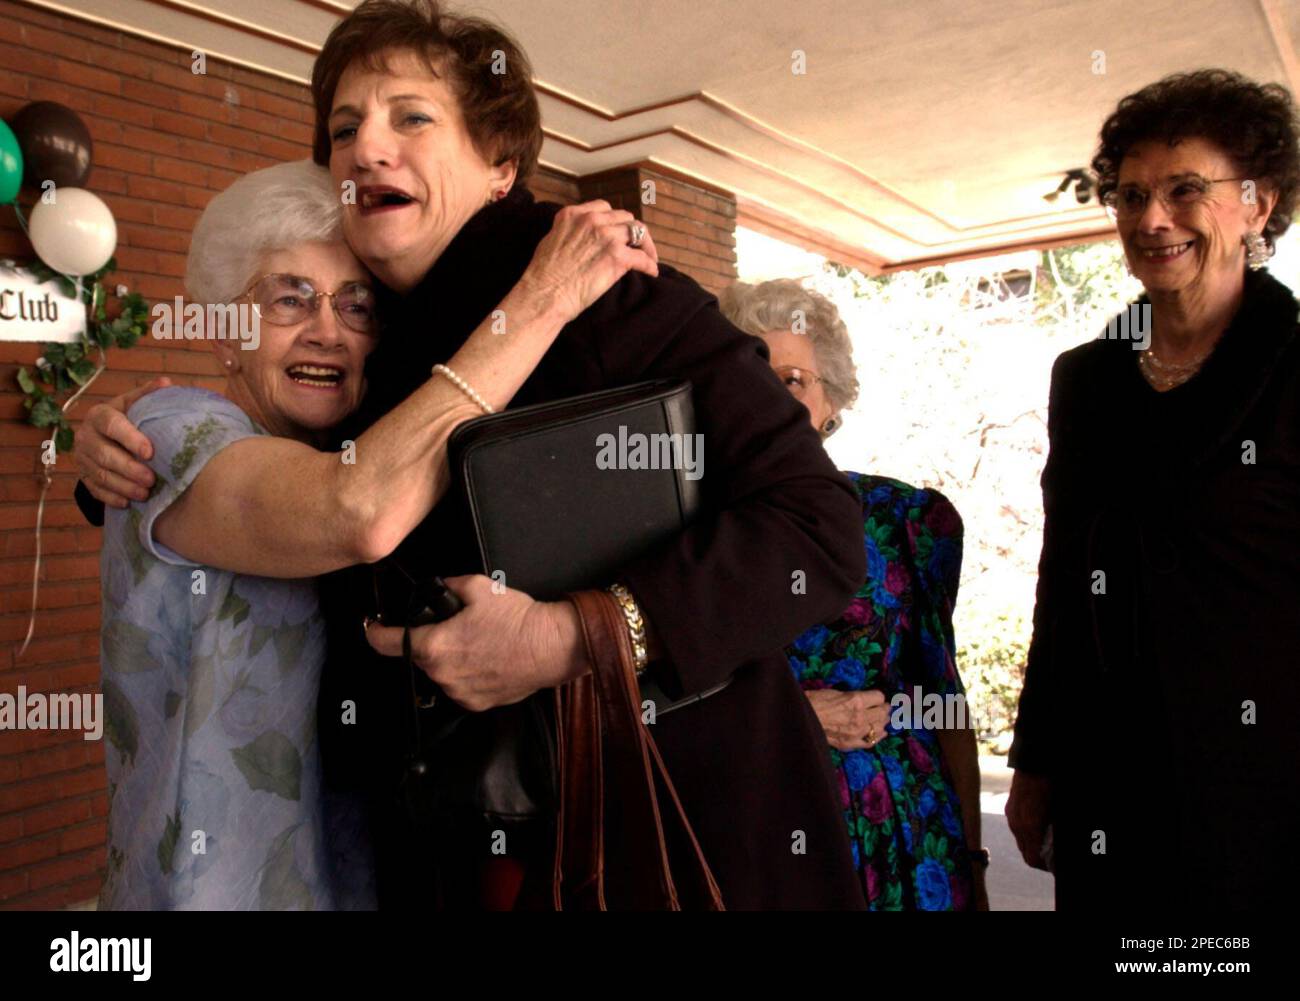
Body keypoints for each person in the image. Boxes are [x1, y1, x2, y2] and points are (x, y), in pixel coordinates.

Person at [76, 0, 867, 910]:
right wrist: (130, 454)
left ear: (501, 165)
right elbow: (298, 490)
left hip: (672, 835)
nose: (366, 148)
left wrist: (576, 636)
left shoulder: (604, 283)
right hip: (432, 856)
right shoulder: (363, 343)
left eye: (411, 117)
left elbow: (818, 529)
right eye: (344, 128)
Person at [94, 158, 649, 909]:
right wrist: (545, 297)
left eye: (356, 308)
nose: (328, 331)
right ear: (224, 333)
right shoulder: (174, 427)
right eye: (291, 300)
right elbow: (353, 511)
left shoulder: (354, 448)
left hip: (351, 874)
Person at [1005, 69, 1300, 909]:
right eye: (1131, 196)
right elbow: (1062, 579)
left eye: (1184, 190)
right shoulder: (1087, 381)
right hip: (1112, 777)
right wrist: (1036, 759)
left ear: (1258, 202)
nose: (1152, 219)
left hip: (1265, 780)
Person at [721, 280, 988, 910]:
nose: (767, 395)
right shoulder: (682, 531)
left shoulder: (905, 519)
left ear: (830, 402)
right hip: (750, 827)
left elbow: (941, 701)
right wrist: (791, 718)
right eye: (746, 372)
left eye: (792, 379)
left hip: (904, 832)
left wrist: (973, 862)